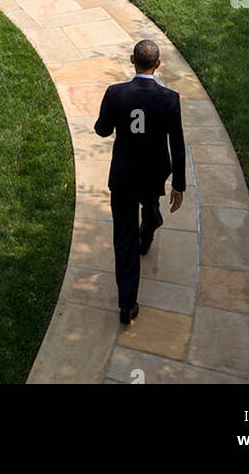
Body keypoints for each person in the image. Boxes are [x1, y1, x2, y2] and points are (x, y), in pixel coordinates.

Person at [94, 38, 186, 325]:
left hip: (123, 176)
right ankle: (151, 222)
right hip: (154, 173)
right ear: (158, 64)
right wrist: (179, 185)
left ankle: (127, 303)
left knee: (124, 238)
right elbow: (178, 144)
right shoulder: (169, 99)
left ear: (132, 61)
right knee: (150, 202)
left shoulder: (115, 94)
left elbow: (102, 131)